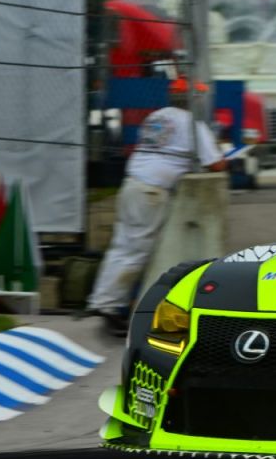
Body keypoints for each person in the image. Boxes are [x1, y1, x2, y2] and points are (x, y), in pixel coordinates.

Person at [87, 79, 226, 335]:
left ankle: (104, 300)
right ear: (194, 98)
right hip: (152, 191)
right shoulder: (193, 125)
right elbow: (216, 164)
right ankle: (108, 306)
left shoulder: (156, 117)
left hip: (133, 184)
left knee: (122, 245)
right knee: (136, 251)